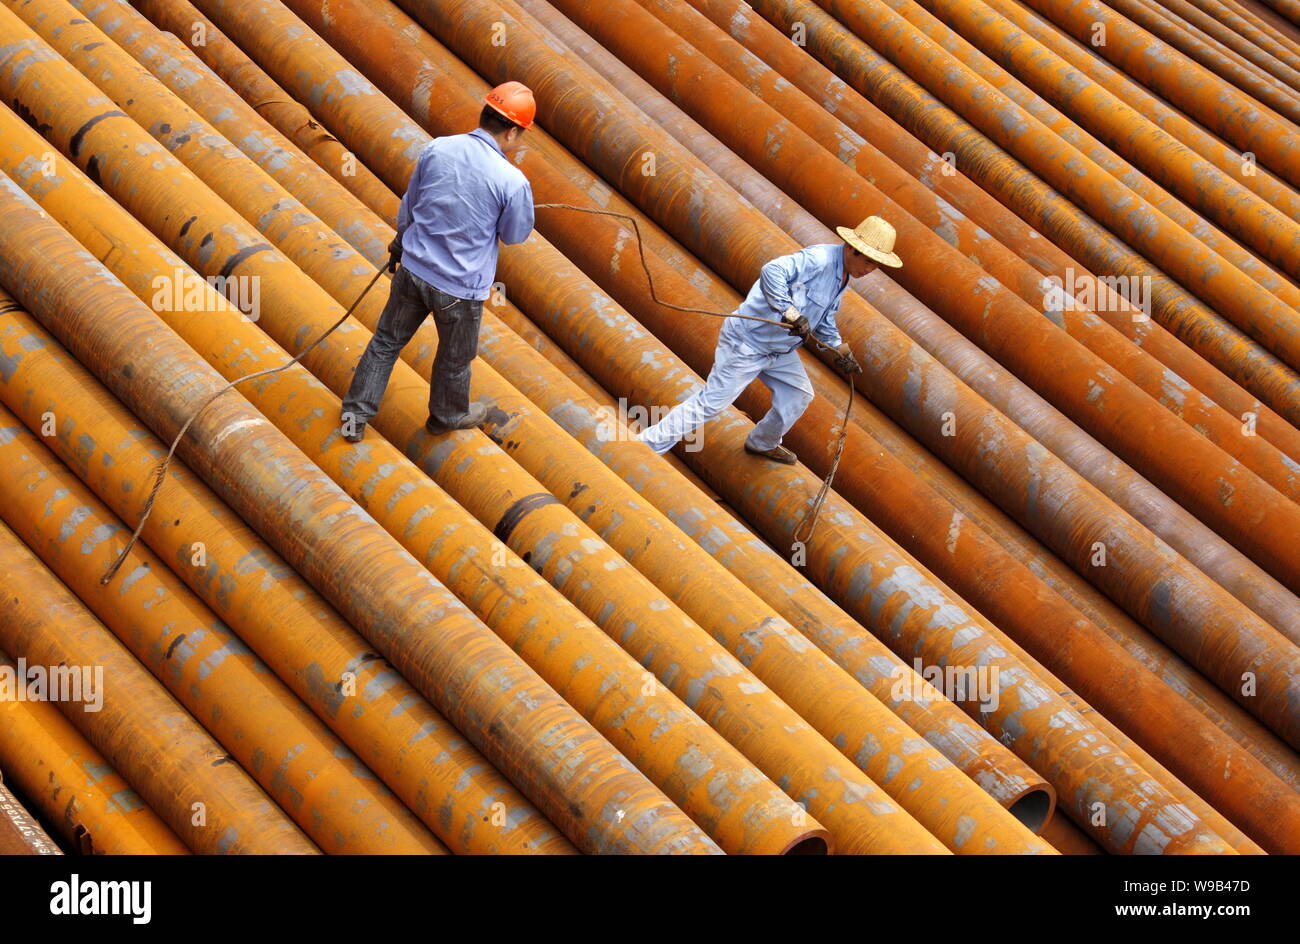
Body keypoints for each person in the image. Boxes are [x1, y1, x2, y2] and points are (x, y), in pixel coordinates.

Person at [340, 81, 536, 442]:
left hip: (414, 269)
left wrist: (401, 245)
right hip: (459, 289)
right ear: (512, 131)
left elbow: (409, 206)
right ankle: (445, 415)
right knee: (454, 360)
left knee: (385, 342)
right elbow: (513, 235)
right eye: (520, 136)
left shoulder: (438, 148)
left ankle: (354, 417)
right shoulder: (512, 181)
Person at [637, 216, 903, 463]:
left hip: (778, 350)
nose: (871, 269)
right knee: (711, 403)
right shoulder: (819, 260)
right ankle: (644, 447)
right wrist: (789, 311)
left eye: (876, 265)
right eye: (869, 261)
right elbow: (771, 271)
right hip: (747, 342)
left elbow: (824, 320)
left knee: (799, 394)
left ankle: (763, 442)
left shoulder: (842, 276)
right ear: (851, 249)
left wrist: (840, 350)